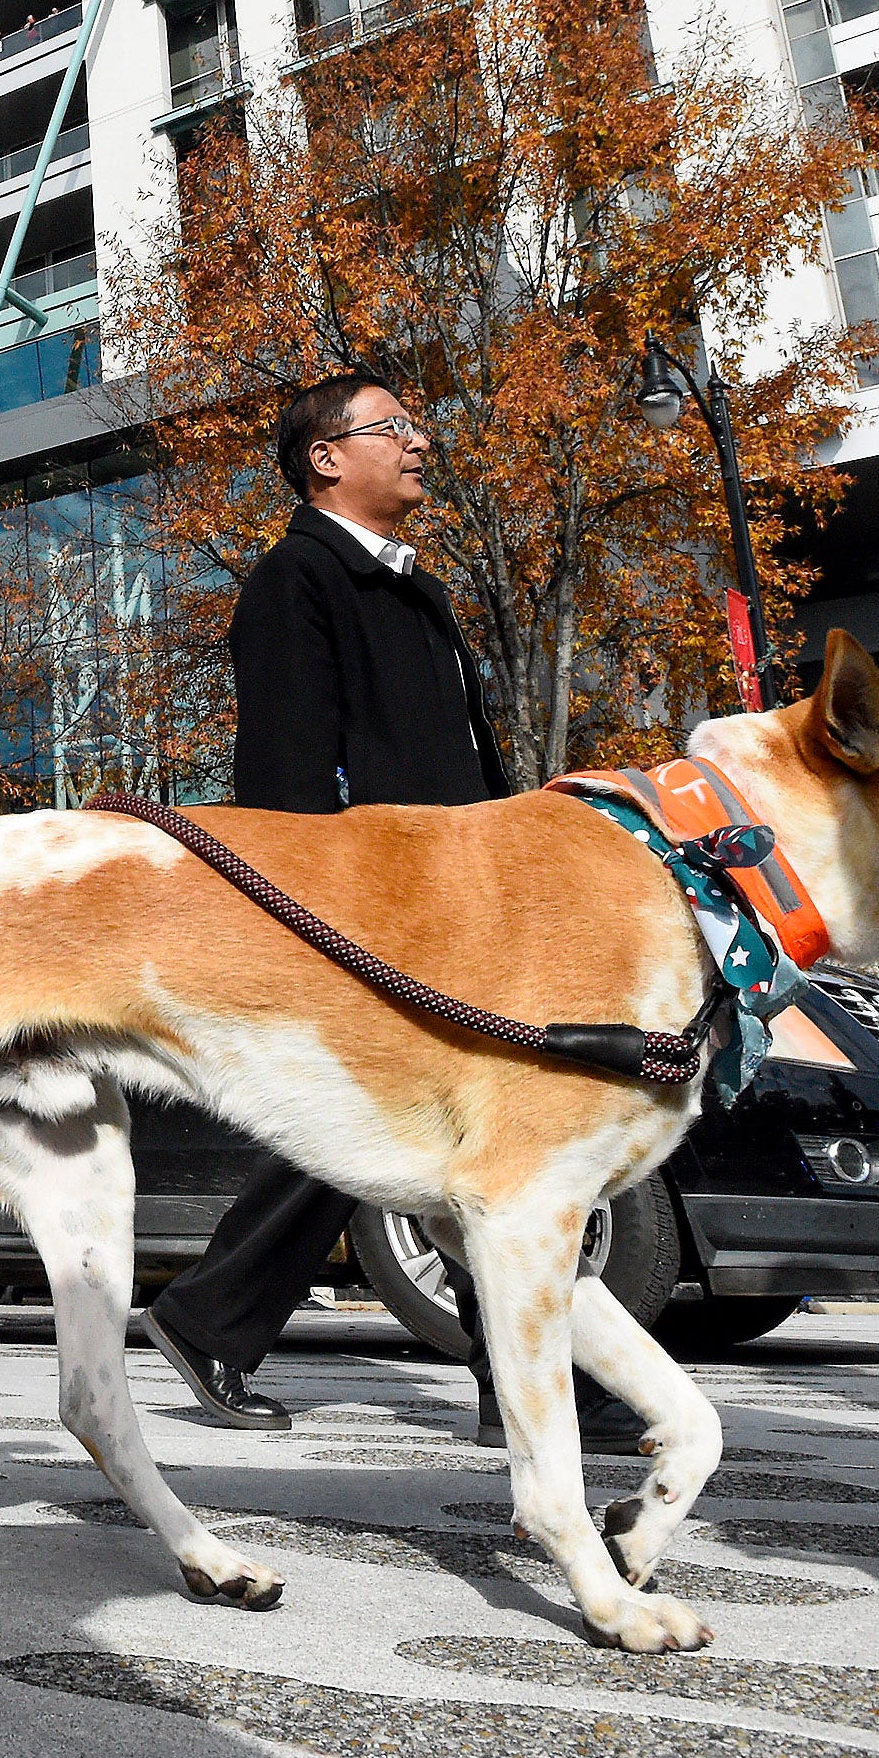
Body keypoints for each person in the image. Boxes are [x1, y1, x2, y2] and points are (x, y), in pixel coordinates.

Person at [136, 372, 650, 1455]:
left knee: (438, 1136)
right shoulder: (294, 582)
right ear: (327, 457)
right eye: (394, 429)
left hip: (469, 899)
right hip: (386, 905)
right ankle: (531, 1386)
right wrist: (320, 914)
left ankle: (214, 1313)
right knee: (461, 1135)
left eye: (416, 425)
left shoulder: (418, 588)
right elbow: (277, 774)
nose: (420, 443)